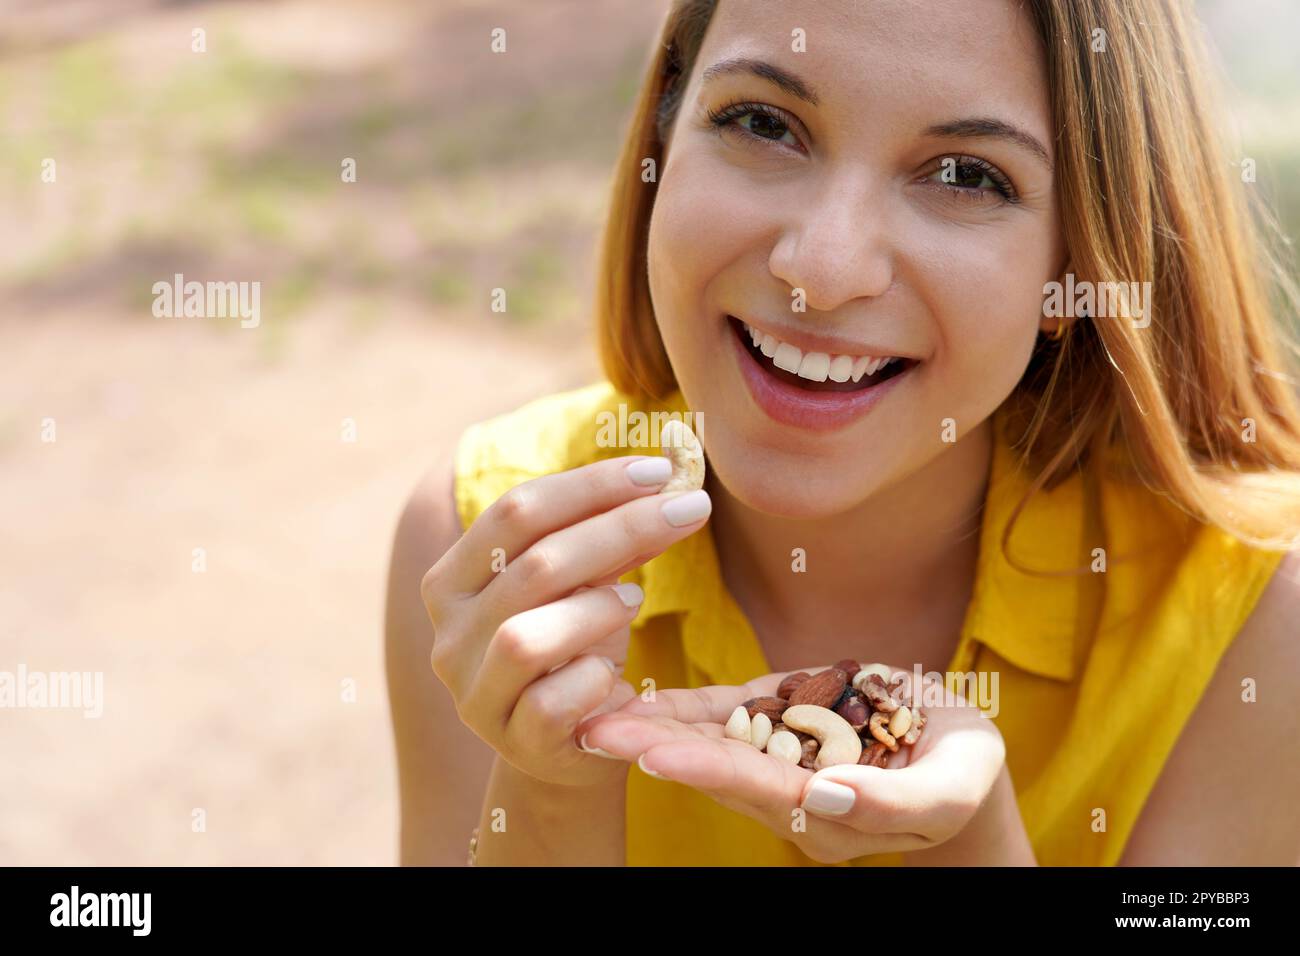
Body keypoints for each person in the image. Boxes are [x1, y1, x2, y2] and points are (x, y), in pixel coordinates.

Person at [386, 0, 1300, 866]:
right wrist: (553, 786)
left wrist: (970, 847)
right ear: (664, 136)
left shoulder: (1258, 617)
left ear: (1081, 256)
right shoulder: (496, 547)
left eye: (965, 176)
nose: (823, 270)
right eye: (763, 123)